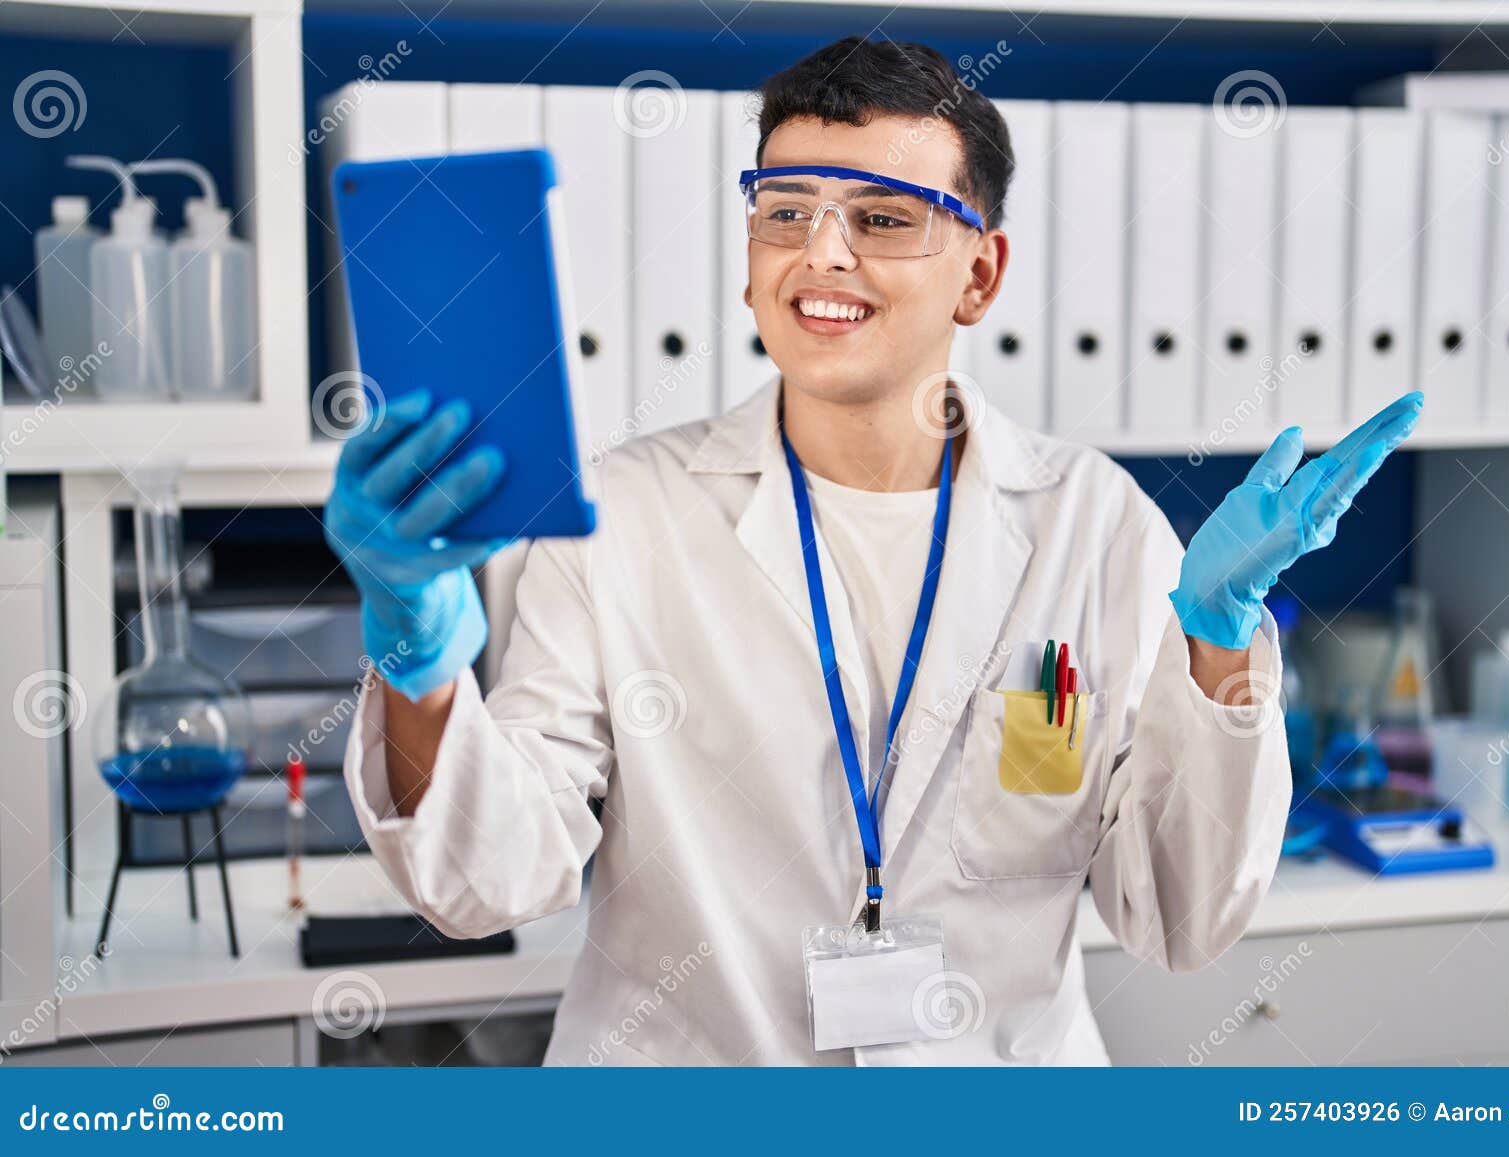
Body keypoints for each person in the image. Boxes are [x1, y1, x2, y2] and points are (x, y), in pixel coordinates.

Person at [325, 35, 1423, 1065]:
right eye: (785, 210)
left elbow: (1178, 915)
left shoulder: (1093, 524)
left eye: (884, 218)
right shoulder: (623, 514)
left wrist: (1216, 644)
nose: (821, 252)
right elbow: (488, 881)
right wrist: (421, 662)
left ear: (980, 275)